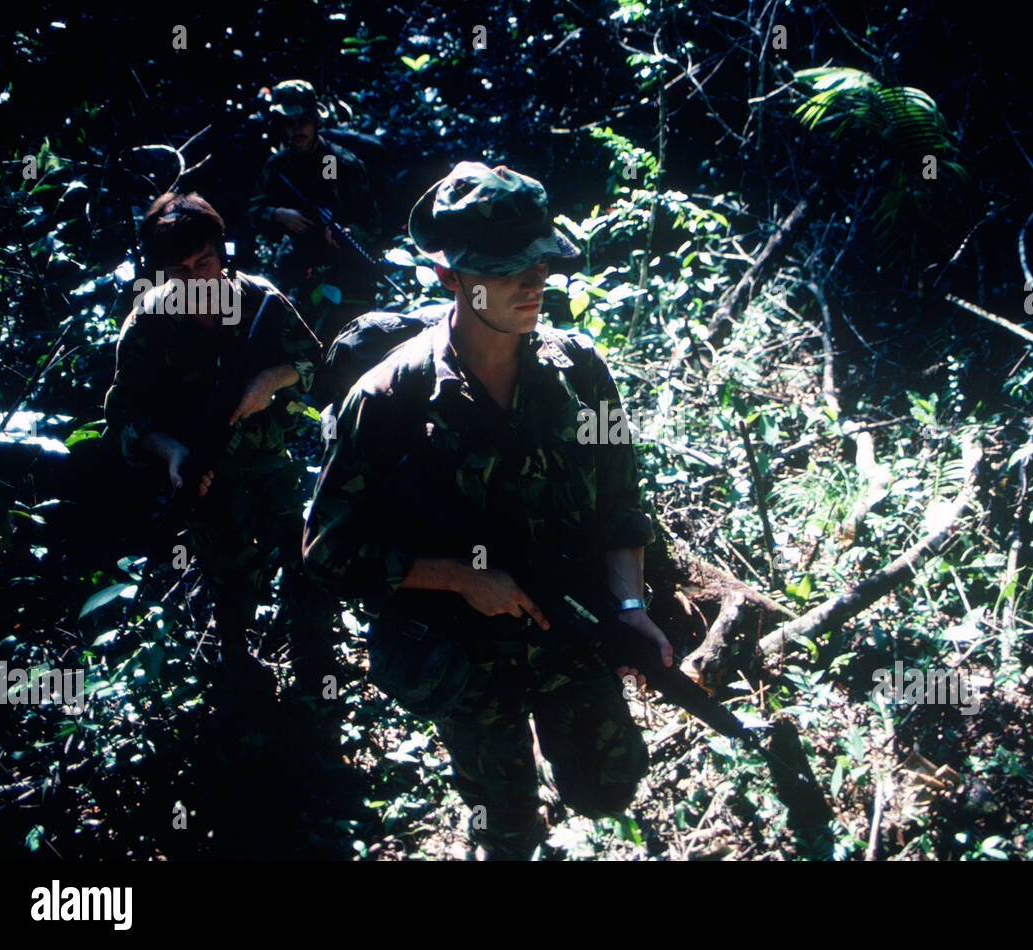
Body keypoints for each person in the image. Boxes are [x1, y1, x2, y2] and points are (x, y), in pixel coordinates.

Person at [303, 162, 672, 859]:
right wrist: (460, 577)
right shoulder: (388, 401)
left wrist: (628, 606)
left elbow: (623, 501)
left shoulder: (580, 370)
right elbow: (326, 549)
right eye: (507, 271)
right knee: (506, 820)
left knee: (609, 786)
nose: (533, 283)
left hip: (569, 625)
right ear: (451, 277)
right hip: (466, 657)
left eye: (540, 263)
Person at [104, 192, 338, 704]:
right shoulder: (150, 322)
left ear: (220, 253)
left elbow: (317, 367)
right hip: (203, 471)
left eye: (202, 262)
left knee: (305, 555)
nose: (194, 280)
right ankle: (237, 660)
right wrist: (170, 454)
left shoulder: (262, 302)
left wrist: (270, 381)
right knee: (227, 568)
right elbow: (123, 418)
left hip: (270, 460)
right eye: (177, 272)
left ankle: (315, 659)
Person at [248, 79, 382, 348]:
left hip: (343, 265)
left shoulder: (342, 163)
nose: (297, 128)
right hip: (296, 264)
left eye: (304, 120)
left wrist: (347, 232)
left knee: (348, 343)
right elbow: (253, 211)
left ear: (316, 120)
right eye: (289, 122)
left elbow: (373, 224)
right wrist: (278, 214)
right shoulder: (277, 167)